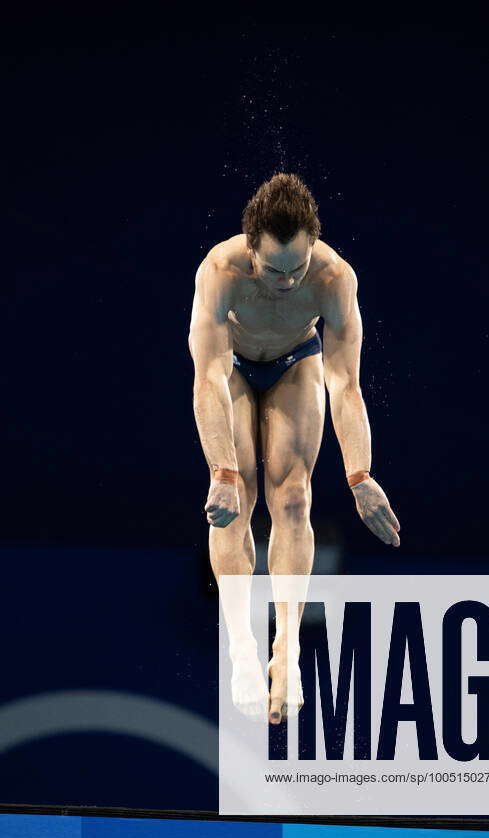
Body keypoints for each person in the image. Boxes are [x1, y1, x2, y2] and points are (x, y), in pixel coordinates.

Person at [189, 173, 400, 725]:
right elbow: (208, 376)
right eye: (272, 270)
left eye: (296, 269)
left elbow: (346, 385)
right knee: (238, 497)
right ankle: (240, 647)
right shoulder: (220, 271)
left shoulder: (334, 279)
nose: (286, 283)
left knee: (294, 500)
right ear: (251, 247)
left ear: (314, 246)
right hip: (231, 367)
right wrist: (221, 470)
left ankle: (289, 650)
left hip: (294, 362)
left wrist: (360, 475)